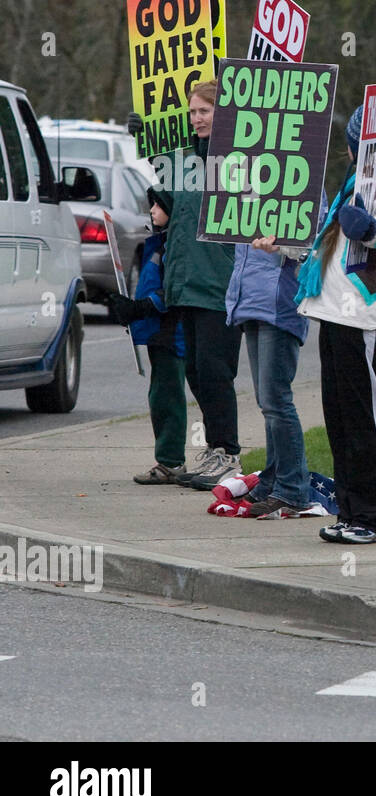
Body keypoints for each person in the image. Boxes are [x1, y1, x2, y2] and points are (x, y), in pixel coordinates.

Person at [289, 105, 376, 544]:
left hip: (367, 317)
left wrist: (372, 228)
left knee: (365, 420)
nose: (358, 151)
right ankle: (352, 510)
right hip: (333, 312)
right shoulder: (356, 181)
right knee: (339, 418)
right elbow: (328, 248)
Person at [130, 79, 243, 490]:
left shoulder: (238, 160)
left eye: (204, 111)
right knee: (196, 370)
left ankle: (227, 453)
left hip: (220, 286)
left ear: (223, 114)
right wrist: (147, 139)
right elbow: (169, 208)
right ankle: (215, 450)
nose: (196, 118)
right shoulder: (184, 163)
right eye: (192, 112)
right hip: (186, 285)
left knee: (215, 372)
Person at [227, 224, 311, 517]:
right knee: (267, 402)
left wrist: (282, 247)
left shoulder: (303, 182)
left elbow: (313, 241)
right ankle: (273, 480)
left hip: (279, 303)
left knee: (276, 401)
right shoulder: (247, 189)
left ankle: (292, 490)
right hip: (250, 300)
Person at [106, 188, 187, 484]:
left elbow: (173, 289)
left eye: (158, 205)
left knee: (168, 396)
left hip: (171, 333)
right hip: (157, 332)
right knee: (161, 395)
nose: (152, 210)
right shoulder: (158, 243)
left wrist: (141, 307)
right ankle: (169, 459)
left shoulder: (175, 246)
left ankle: (171, 462)